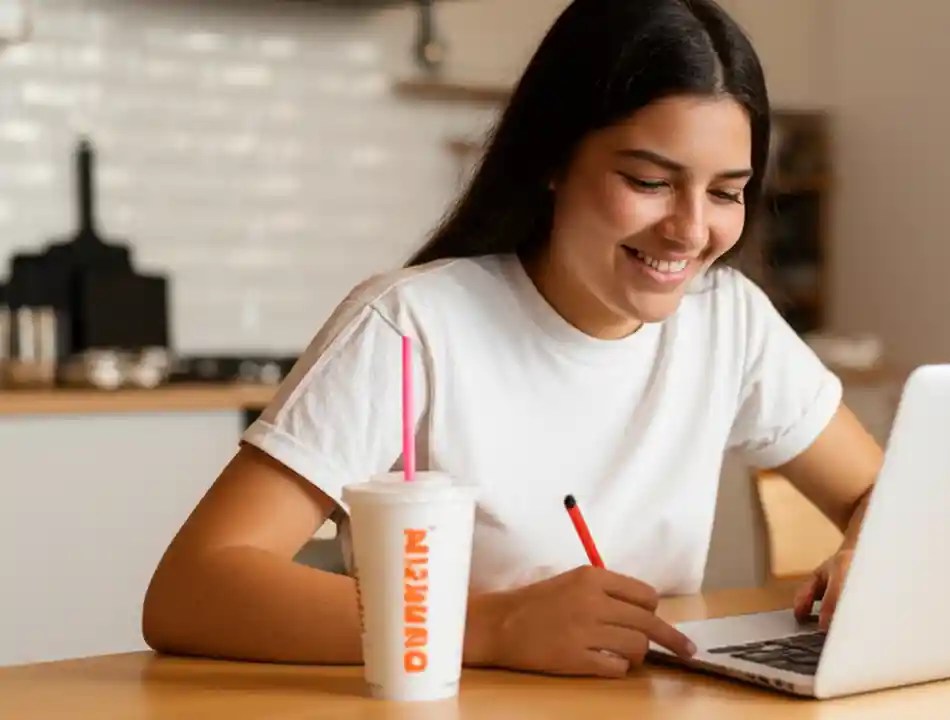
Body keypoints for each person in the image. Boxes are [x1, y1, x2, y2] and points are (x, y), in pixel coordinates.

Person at [142, 0, 883, 679]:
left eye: (726, 192)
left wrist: (870, 551)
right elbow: (193, 588)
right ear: (555, 160)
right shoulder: (412, 327)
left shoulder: (728, 319)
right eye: (650, 181)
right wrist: (492, 627)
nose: (691, 230)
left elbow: (881, 493)